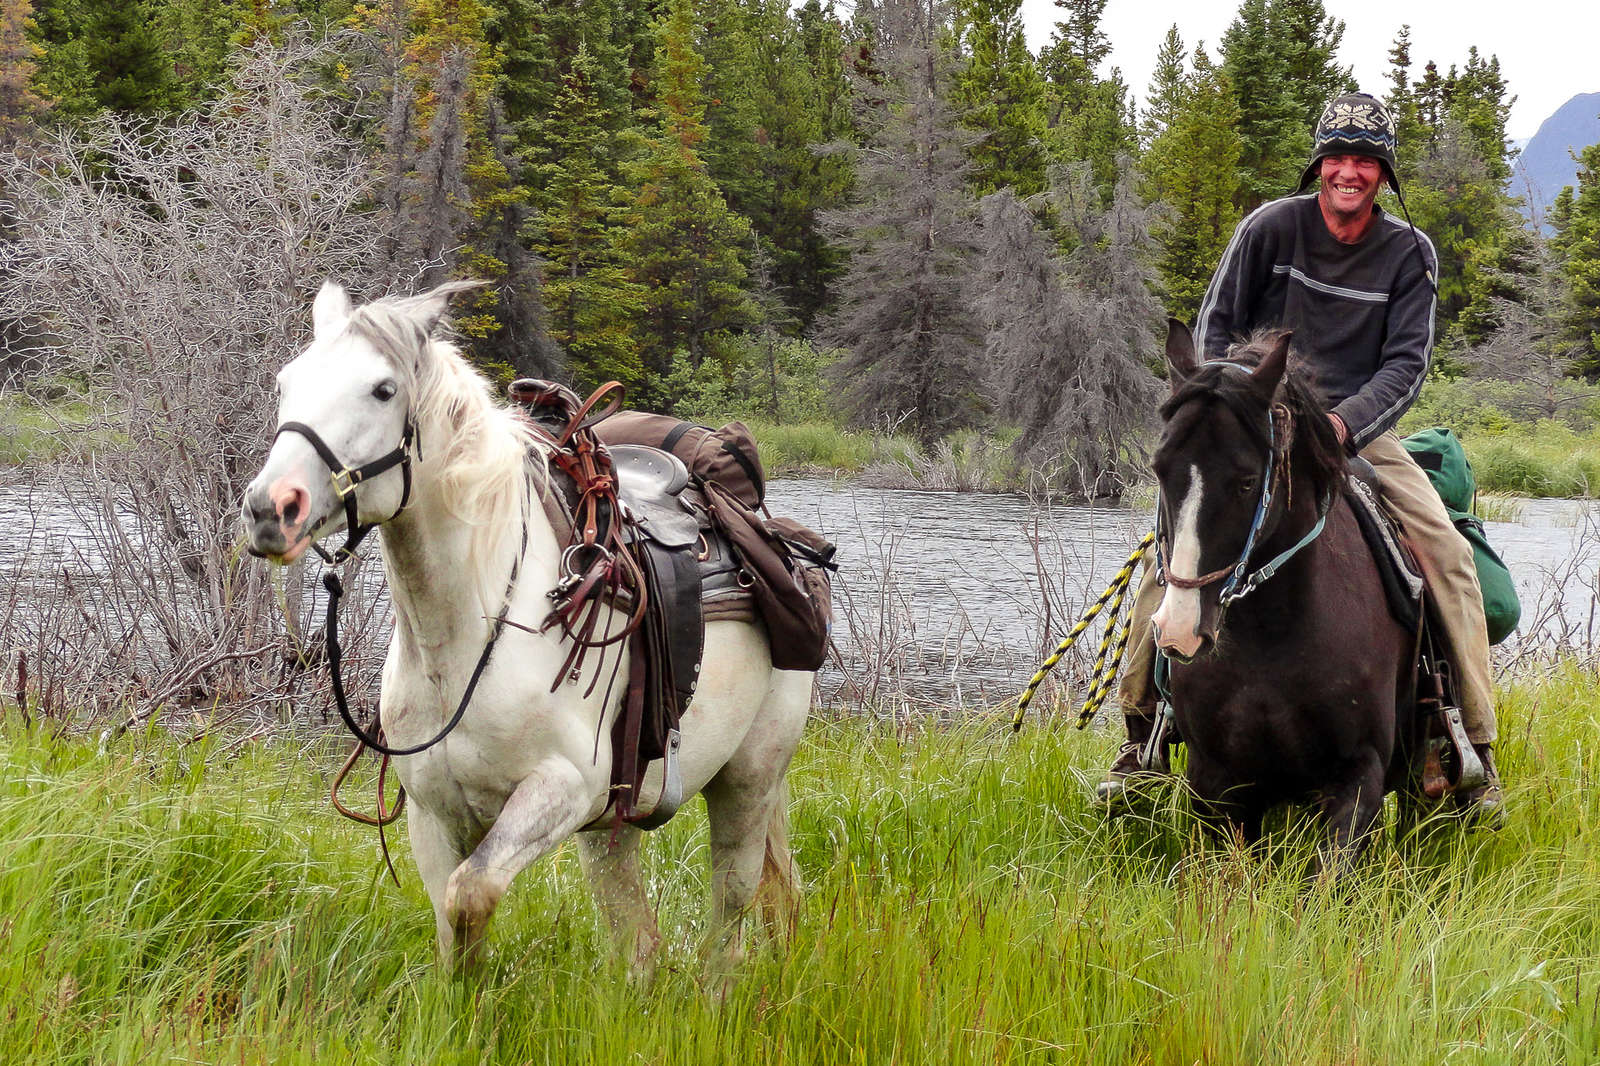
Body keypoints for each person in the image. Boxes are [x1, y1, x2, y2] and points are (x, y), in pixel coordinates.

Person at [1097, 92, 1505, 827]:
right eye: (1337, 157)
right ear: (1319, 166)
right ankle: (1142, 733)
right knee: (1175, 552)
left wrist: (1344, 426)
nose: (1350, 172)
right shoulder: (1269, 228)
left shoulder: (1410, 253)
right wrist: (1231, 406)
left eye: (1365, 161)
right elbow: (1217, 324)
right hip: (1251, 414)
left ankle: (1467, 741)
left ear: (1383, 175)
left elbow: (1407, 363)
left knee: (1445, 554)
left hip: (1352, 428)